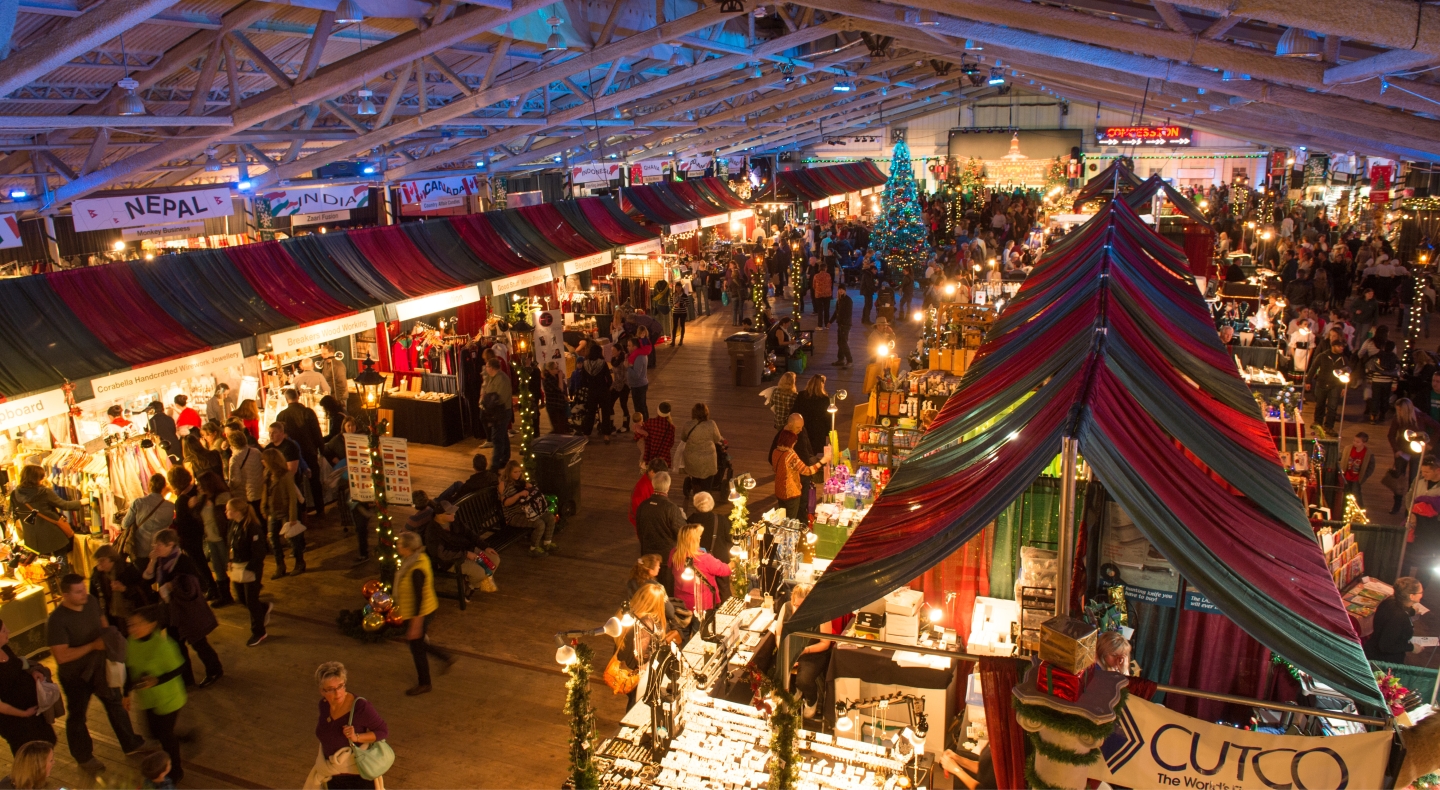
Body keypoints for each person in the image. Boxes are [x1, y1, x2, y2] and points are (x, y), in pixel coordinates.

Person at [47, 574, 147, 772]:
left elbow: (104, 625)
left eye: (83, 588)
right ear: (65, 595)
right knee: (78, 716)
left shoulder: (91, 601)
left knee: (115, 704)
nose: (84, 594)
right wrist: (93, 646)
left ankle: (131, 744)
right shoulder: (56, 621)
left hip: (100, 667)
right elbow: (62, 656)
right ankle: (84, 757)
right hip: (76, 676)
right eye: (78, 592)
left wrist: (109, 644)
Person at [143, 529, 222, 688]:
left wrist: (171, 585)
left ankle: (215, 670)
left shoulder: (183, 561)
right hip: (171, 611)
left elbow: (195, 584)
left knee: (198, 643)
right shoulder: (160, 561)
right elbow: (146, 578)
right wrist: (152, 561)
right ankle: (186, 679)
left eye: (159, 545)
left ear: (170, 544)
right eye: (155, 545)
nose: (155, 548)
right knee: (176, 645)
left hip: (187, 610)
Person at [124, 604, 187, 784]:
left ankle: (176, 771)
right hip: (148, 698)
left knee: (165, 737)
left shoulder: (164, 645)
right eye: (130, 625)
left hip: (169, 698)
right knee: (152, 733)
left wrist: (156, 680)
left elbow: (179, 668)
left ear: (151, 625)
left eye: (138, 624)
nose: (133, 629)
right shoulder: (132, 642)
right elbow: (129, 668)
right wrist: (126, 692)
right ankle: (178, 737)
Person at [311, 662, 388, 789]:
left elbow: (383, 731)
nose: (337, 693)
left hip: (357, 777)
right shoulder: (324, 705)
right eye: (330, 689)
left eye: (340, 686)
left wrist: (356, 737)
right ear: (322, 691)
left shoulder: (360, 707)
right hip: (333, 774)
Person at [394, 531, 454, 696]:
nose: (397, 546)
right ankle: (445, 657)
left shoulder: (416, 569)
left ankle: (425, 683)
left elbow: (418, 597)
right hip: (423, 609)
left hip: (420, 612)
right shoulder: (417, 558)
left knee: (416, 647)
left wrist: (416, 622)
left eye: (400, 544)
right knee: (417, 643)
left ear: (408, 548)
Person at [0, 619, 56, 757]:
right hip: (15, 718)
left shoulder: (5, 648)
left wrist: (33, 672)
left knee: (47, 742)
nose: (8, 632)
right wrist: (23, 714)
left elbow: (19, 665)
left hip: (31, 710)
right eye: (3, 630)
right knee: (29, 753)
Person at [7, 464, 81, 560]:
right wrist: (81, 502)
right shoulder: (43, 492)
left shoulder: (15, 494)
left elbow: (15, 515)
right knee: (61, 562)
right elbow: (64, 505)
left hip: (32, 538)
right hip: (53, 535)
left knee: (42, 564)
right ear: (36, 478)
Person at [424, 500, 498, 594]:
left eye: (453, 512)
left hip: (467, 549)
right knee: (479, 572)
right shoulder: (432, 532)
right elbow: (442, 554)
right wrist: (465, 554)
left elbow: (469, 533)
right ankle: (472, 586)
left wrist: (485, 547)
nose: (454, 514)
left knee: (494, 560)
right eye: (450, 513)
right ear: (440, 515)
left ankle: (471, 585)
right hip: (452, 560)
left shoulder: (453, 520)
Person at [617, 584, 670, 709]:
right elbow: (640, 654)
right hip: (639, 673)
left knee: (633, 701)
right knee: (636, 704)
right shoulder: (646, 622)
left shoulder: (632, 616)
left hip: (629, 669)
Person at [225, 499, 270, 647]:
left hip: (250, 568)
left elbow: (259, 552)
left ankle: (259, 632)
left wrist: (250, 567)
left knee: (251, 600)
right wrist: (230, 560)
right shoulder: (233, 525)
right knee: (241, 598)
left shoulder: (252, 528)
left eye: (228, 509)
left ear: (237, 512)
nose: (226, 512)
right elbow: (231, 545)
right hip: (237, 567)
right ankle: (263, 608)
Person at [167, 467, 217, 599]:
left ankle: (210, 587)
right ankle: (212, 586)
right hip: (203, 530)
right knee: (205, 561)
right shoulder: (198, 490)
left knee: (199, 562)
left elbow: (181, 521)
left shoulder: (181, 500)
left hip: (189, 536)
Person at [277, 389, 326, 519]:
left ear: (286, 399)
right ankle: (320, 508)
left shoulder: (282, 415)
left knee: (296, 482)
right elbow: (317, 432)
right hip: (309, 450)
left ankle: (301, 511)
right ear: (298, 397)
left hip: (291, 453)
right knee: (314, 481)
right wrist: (321, 448)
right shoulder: (308, 412)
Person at [89, 544, 152, 636]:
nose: (100, 564)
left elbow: (143, 591)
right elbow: (93, 595)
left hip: (129, 614)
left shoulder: (127, 570)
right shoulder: (98, 574)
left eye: (102, 560)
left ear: (112, 559)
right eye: (98, 561)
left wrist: (124, 589)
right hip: (110, 615)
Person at [1389, 399, 1440, 513]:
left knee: (1414, 480)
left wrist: (1430, 444)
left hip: (1417, 452)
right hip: (1403, 452)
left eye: (1400, 410)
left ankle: (1410, 508)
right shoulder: (1398, 419)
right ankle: (1397, 503)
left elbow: (1437, 427)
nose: (1398, 412)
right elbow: (1391, 435)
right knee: (1399, 479)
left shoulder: (1421, 417)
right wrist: (1397, 449)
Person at [669, 524, 731, 617]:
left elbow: (670, 566)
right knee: (701, 625)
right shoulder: (704, 559)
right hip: (701, 604)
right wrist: (735, 562)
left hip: (682, 602)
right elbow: (724, 570)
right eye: (699, 536)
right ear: (693, 540)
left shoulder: (674, 554)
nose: (700, 538)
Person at [635, 472, 686, 585]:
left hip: (647, 557)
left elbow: (639, 530)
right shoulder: (671, 509)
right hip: (666, 558)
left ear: (653, 485)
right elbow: (682, 532)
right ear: (668, 487)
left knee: (648, 587)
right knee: (665, 589)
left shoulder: (643, 506)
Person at [499, 460, 557, 558]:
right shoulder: (503, 484)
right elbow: (506, 503)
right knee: (539, 524)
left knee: (550, 517)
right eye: (515, 472)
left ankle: (547, 543)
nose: (518, 474)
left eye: (519, 471)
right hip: (514, 515)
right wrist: (519, 495)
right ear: (509, 472)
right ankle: (533, 548)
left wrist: (529, 487)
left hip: (527, 511)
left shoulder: (520, 482)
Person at [1364, 577, 1425, 664]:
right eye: (1421, 592)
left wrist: (1412, 611)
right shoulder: (1399, 617)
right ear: (1412, 596)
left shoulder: (1390, 600)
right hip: (1384, 660)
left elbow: (1399, 608)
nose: (1422, 594)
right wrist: (1412, 648)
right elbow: (1386, 646)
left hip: (1372, 647)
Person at [772, 416, 823, 519]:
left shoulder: (775, 452)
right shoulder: (790, 455)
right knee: (791, 520)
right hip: (791, 493)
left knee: (782, 518)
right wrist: (822, 461)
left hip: (779, 491)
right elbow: (807, 471)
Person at [121, 473, 174, 563]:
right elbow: (169, 525)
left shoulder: (138, 503)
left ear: (149, 485)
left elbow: (125, 524)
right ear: (164, 487)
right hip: (159, 551)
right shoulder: (170, 506)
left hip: (140, 550)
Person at [681, 403, 725, 496]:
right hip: (708, 460)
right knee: (707, 482)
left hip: (692, 458)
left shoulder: (688, 425)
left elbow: (684, 438)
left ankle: (696, 491)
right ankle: (705, 496)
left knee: (695, 476)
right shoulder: (711, 424)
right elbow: (717, 439)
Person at [480, 358, 513, 468]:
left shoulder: (502, 379)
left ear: (492, 368)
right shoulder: (492, 377)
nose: (486, 368)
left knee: (497, 438)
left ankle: (495, 465)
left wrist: (487, 400)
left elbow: (500, 398)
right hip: (496, 412)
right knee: (502, 435)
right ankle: (505, 458)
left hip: (501, 412)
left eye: (487, 366)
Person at [227, 429, 264, 514]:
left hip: (246, 494)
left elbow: (236, 480)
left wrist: (229, 486)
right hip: (259, 491)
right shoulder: (256, 451)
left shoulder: (235, 458)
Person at [635, 401, 676, 469]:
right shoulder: (671, 427)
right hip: (663, 459)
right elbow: (671, 443)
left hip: (649, 456)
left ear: (658, 411)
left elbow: (638, 436)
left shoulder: (650, 422)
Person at [690, 492, 728, 560]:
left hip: (698, 559)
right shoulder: (720, 519)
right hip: (719, 560)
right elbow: (729, 538)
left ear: (695, 505)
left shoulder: (691, 520)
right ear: (712, 504)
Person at [1342, 433, 1376, 509]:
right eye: (1354, 441)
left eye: (1358, 442)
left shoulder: (1368, 453)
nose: (1355, 443)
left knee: (1356, 494)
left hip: (1357, 478)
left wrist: (1365, 475)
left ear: (1364, 443)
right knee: (1345, 494)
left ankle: (1359, 509)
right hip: (1346, 476)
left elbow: (1371, 466)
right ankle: (1345, 509)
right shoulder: (1348, 449)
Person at [626, 335, 653, 420]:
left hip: (639, 386)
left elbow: (636, 375)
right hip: (637, 385)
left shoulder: (639, 357)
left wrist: (627, 367)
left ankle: (643, 424)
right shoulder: (638, 355)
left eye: (629, 345)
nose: (627, 347)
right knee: (642, 407)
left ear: (635, 347)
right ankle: (645, 424)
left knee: (640, 409)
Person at [541, 361, 571, 434]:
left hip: (560, 405)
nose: (558, 370)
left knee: (562, 427)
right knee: (558, 428)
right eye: (556, 368)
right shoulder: (547, 380)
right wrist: (560, 378)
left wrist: (564, 397)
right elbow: (559, 389)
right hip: (553, 406)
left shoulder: (555, 377)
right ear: (550, 370)